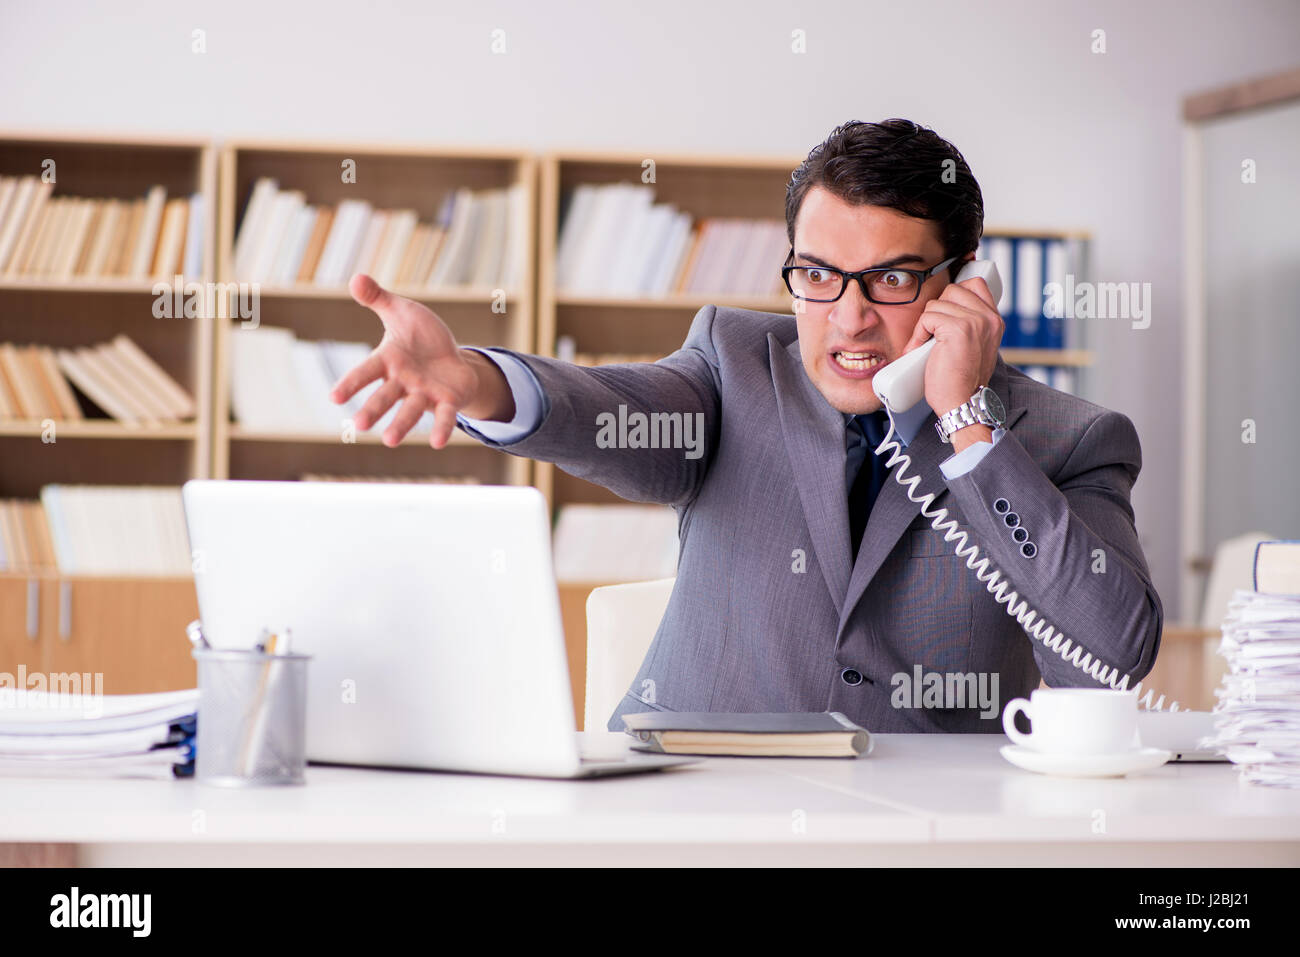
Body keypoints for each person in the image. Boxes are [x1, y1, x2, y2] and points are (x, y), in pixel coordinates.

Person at [330, 118, 1163, 733]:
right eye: (818, 275)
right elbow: (608, 411)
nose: (850, 320)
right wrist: (475, 381)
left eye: (892, 280)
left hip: (923, 833)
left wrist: (970, 428)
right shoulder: (734, 364)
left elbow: (1108, 659)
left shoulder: (1070, 438)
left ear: (965, 286)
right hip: (691, 815)